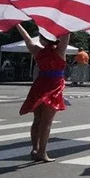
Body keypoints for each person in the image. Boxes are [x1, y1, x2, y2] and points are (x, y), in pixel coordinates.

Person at [15, 25, 70, 162]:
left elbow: (27, 38)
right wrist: (65, 22)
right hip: (53, 87)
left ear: (43, 40)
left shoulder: (37, 51)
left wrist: (17, 25)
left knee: (37, 120)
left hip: (40, 85)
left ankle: (35, 147)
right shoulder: (60, 51)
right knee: (47, 123)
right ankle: (42, 152)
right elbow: (66, 35)